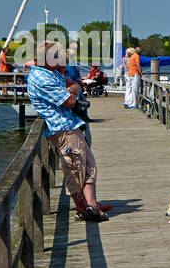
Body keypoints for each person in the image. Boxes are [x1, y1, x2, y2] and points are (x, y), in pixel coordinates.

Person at [26, 40, 110, 223]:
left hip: (71, 126)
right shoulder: (42, 78)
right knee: (75, 170)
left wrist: (72, 87)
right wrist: (73, 89)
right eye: (57, 55)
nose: (61, 58)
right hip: (63, 129)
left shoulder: (51, 73)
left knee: (88, 166)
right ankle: (84, 209)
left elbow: (72, 84)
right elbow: (70, 101)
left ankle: (91, 204)